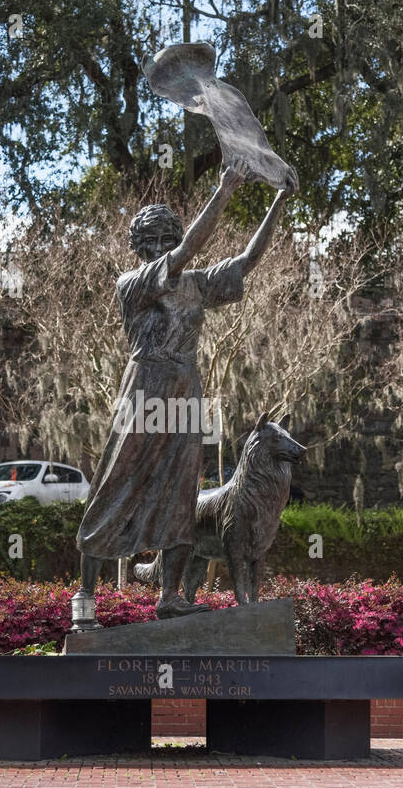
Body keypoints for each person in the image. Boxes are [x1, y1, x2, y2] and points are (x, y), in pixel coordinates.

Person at [73, 159, 290, 620]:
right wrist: (225, 189)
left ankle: (170, 596)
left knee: (181, 491)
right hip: (146, 388)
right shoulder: (132, 284)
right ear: (137, 248)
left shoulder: (196, 285)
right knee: (115, 482)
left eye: (164, 239)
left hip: (186, 390)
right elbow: (191, 247)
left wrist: (278, 199)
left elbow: (247, 260)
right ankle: (85, 597)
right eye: (147, 241)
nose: (157, 247)